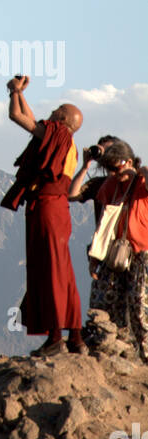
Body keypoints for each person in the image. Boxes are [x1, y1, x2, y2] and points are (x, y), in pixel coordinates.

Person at [1, 75, 85, 356]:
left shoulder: (58, 135)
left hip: (47, 209)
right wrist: (21, 93)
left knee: (49, 270)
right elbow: (33, 121)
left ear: (61, 118)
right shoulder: (66, 143)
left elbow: (17, 117)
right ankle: (74, 337)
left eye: (57, 110)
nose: (51, 112)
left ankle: (54, 338)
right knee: (63, 271)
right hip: (58, 210)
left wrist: (14, 92)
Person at [84, 140, 148, 360]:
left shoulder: (141, 181)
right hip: (116, 253)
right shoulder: (110, 185)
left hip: (142, 253)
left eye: (116, 168)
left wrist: (141, 171)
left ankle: (145, 355)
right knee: (107, 302)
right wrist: (95, 255)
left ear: (129, 161)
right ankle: (115, 351)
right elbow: (104, 222)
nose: (113, 173)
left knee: (141, 307)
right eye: (108, 169)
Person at [69, 136, 117, 281]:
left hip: (128, 250)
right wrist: (85, 166)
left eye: (110, 151)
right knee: (102, 301)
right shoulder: (98, 184)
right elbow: (72, 194)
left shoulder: (132, 181)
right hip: (103, 251)